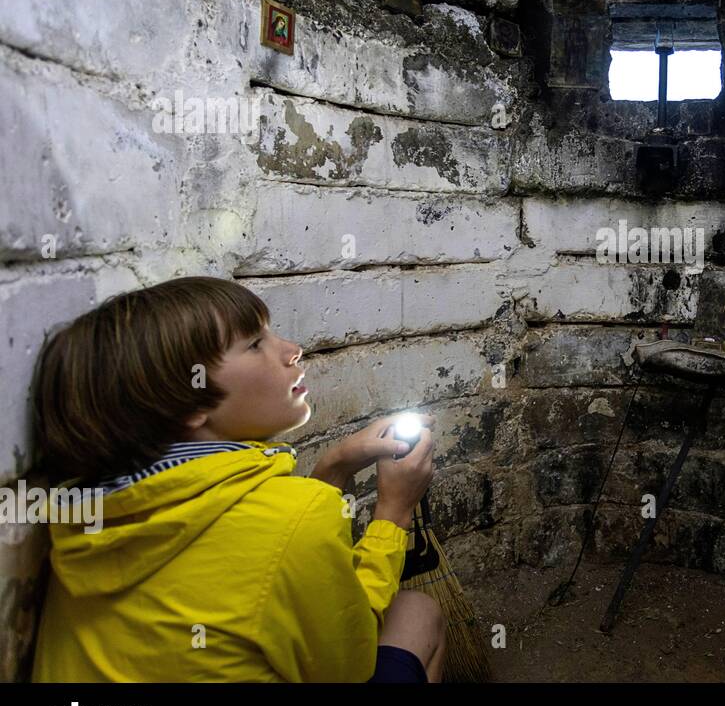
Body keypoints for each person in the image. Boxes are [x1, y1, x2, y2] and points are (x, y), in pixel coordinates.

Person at [30, 276, 446, 682]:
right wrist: (393, 513)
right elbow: (348, 667)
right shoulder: (297, 516)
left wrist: (333, 468)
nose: (292, 350)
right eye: (254, 345)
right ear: (187, 401)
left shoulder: (87, 514)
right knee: (417, 613)